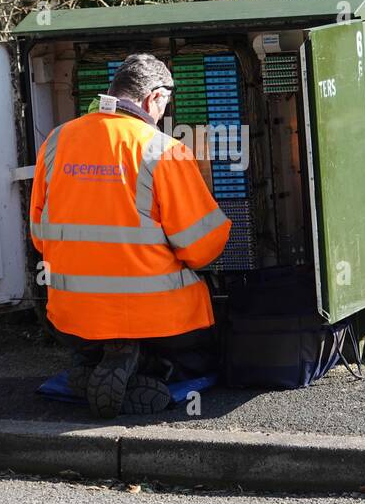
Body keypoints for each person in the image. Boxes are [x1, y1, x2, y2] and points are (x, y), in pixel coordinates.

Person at [29, 53, 230, 418]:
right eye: (165, 104)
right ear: (154, 97)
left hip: (72, 315)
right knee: (205, 354)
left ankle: (98, 360)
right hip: (158, 320)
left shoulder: (57, 141)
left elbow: (39, 235)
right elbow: (202, 248)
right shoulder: (163, 150)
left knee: (92, 335)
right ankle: (153, 369)